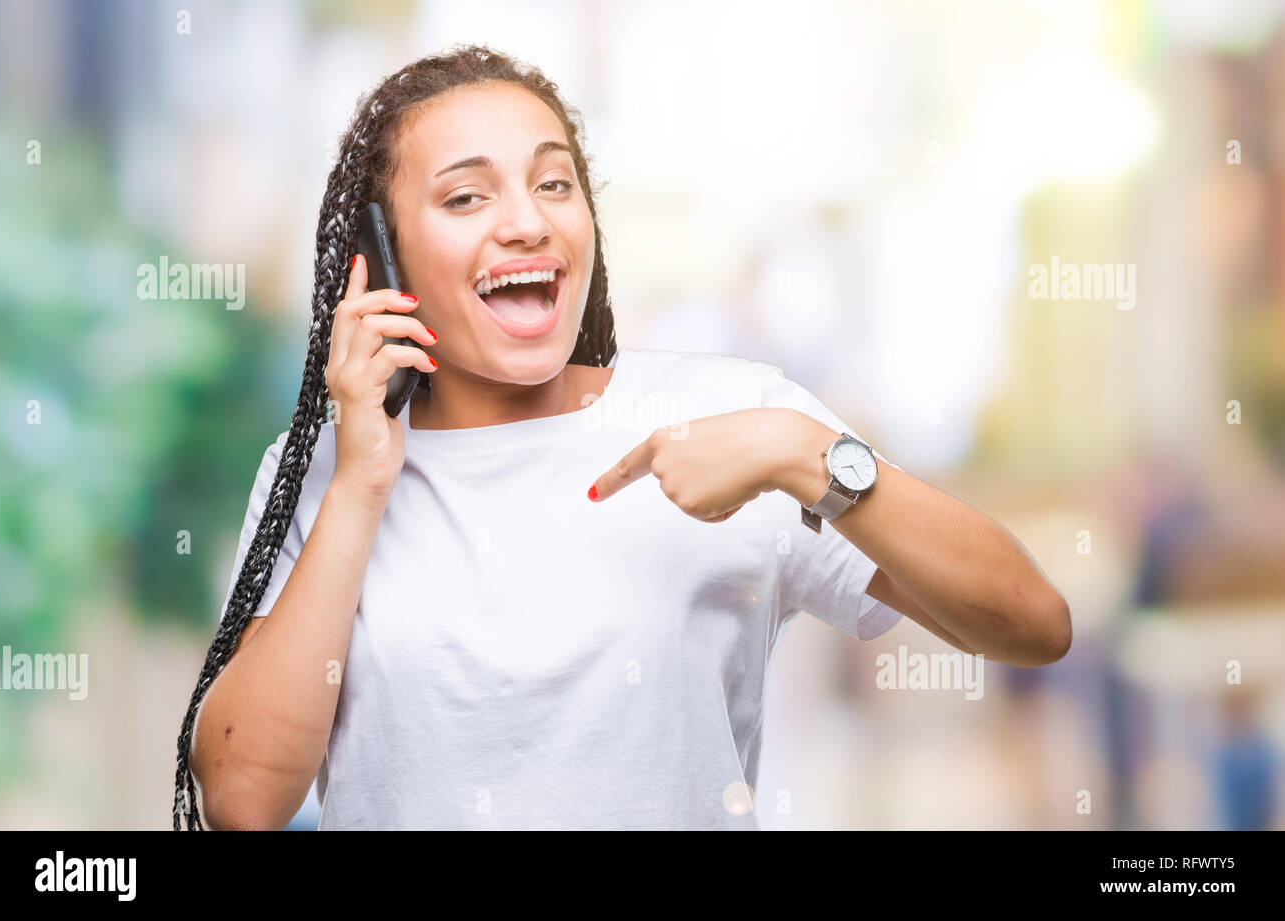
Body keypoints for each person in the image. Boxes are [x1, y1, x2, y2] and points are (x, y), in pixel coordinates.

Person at [175, 44, 1072, 831]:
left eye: (554, 182)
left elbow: (1032, 622)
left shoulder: (742, 413)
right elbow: (245, 798)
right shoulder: (329, 470)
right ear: (385, 256)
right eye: (465, 195)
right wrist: (362, 485)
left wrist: (803, 453)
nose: (527, 219)